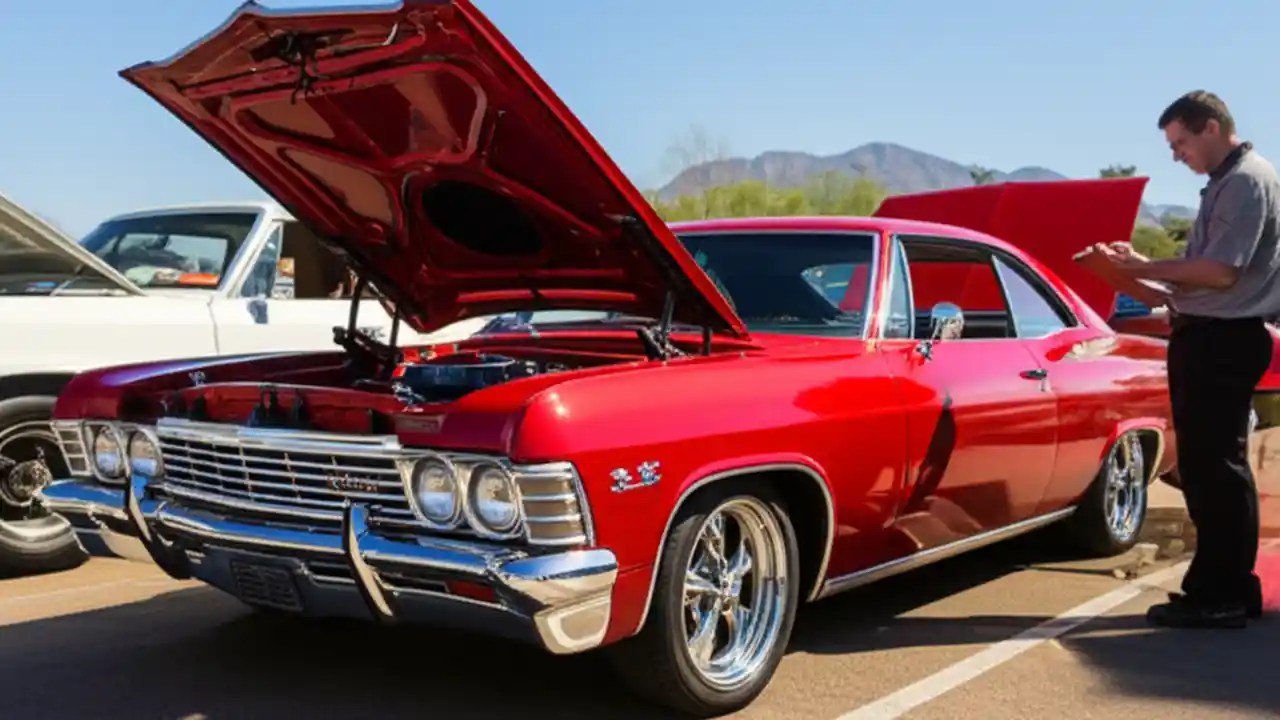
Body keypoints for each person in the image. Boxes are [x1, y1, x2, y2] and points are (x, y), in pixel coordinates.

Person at [1096, 90, 1280, 628]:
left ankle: (1219, 593)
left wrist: (1147, 265)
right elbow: (1206, 271)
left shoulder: (1245, 182)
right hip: (1214, 335)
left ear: (1210, 128)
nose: (1176, 154)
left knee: (1213, 467)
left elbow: (1221, 272)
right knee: (1211, 465)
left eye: (1180, 142)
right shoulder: (1228, 182)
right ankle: (1225, 586)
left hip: (1222, 338)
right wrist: (1143, 269)